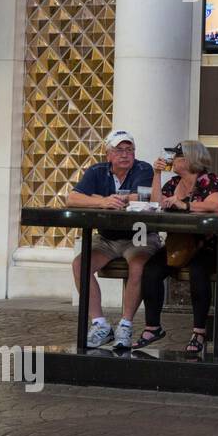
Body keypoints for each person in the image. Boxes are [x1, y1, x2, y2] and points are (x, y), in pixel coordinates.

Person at [134, 141, 218, 355]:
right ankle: (153, 328)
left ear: (189, 160)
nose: (172, 159)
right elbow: (155, 205)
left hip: (208, 243)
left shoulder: (209, 180)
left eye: (176, 156)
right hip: (180, 244)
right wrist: (157, 174)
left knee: (199, 272)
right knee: (150, 270)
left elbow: (215, 205)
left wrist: (185, 205)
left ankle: (199, 332)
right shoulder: (174, 182)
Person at [66, 130, 157, 349]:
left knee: (138, 266)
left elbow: (145, 196)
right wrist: (101, 202)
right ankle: (100, 325)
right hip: (107, 237)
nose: (125, 155)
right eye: (119, 150)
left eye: (129, 150)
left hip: (139, 234)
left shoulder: (144, 168)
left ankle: (125, 325)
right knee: (80, 265)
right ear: (108, 154)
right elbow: (72, 198)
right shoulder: (97, 170)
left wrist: (112, 198)